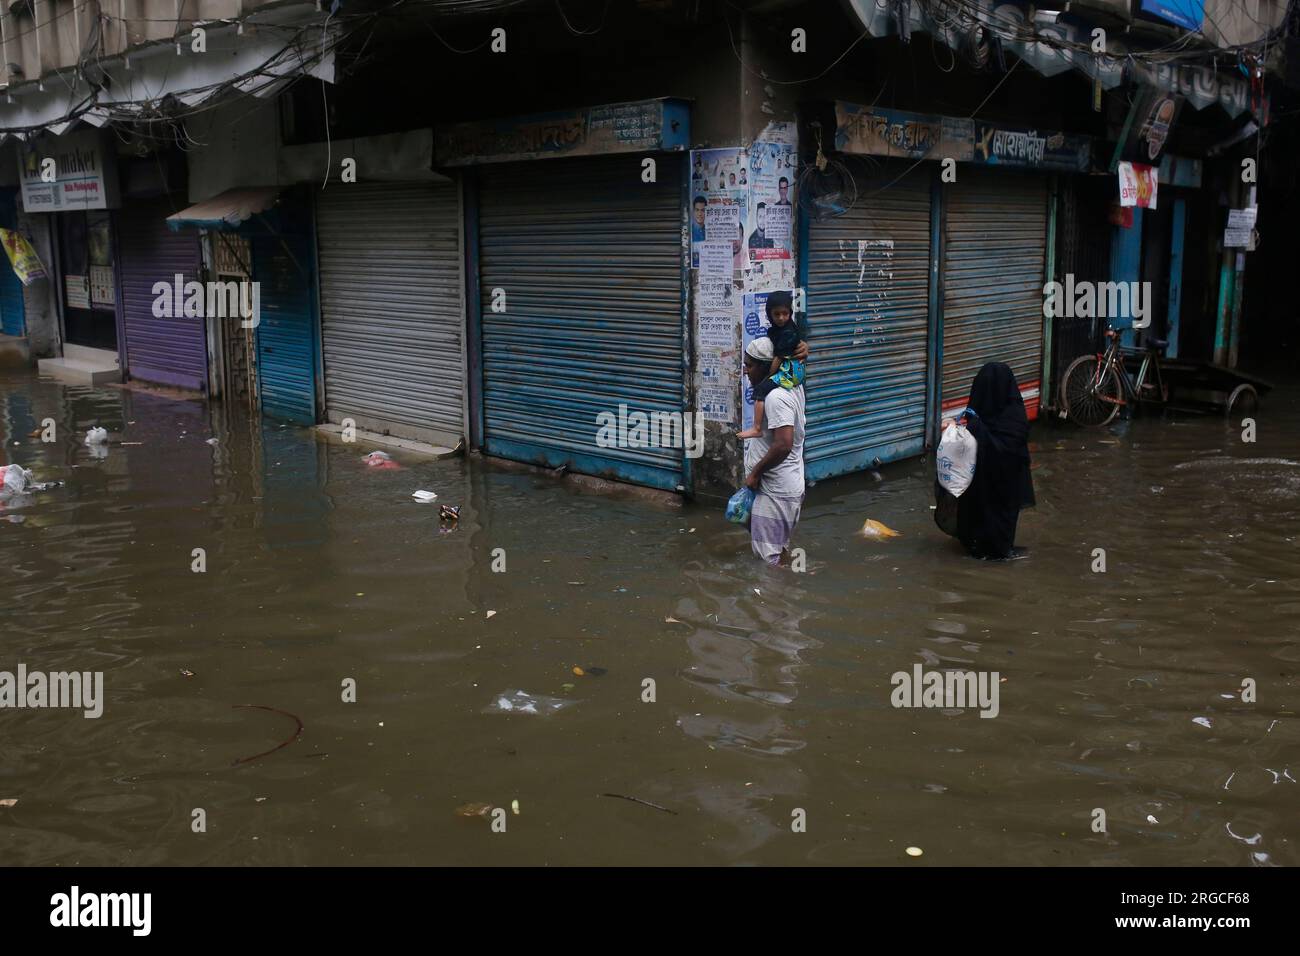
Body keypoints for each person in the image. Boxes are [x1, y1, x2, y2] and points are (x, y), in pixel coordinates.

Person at [942, 362, 1036, 559]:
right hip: (1003, 502)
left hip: (989, 498)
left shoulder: (982, 426)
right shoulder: (1014, 418)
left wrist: (965, 431)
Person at [741, 337, 807, 566]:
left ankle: (777, 600)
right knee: (779, 552)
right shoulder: (790, 385)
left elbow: (783, 444)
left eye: (749, 365)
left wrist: (755, 473)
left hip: (776, 492)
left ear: (765, 366)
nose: (746, 371)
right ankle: (796, 579)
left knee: (768, 564)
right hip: (782, 489)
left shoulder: (776, 397)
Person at [736, 291, 805, 440]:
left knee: (760, 391)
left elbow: (784, 445)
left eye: (785, 314)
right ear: (769, 314)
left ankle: (756, 428)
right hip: (789, 370)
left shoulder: (776, 397)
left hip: (788, 371)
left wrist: (769, 377)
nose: (781, 318)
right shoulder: (780, 329)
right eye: (777, 314)